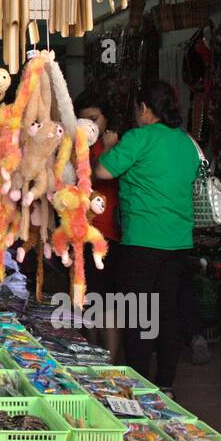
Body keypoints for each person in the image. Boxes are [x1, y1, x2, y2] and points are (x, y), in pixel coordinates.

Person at [94, 80, 200, 392]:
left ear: (143, 108)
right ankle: (166, 383)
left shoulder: (138, 138)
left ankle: (138, 381)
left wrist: (111, 147)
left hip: (142, 241)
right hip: (179, 242)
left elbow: (102, 172)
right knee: (168, 313)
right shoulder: (184, 142)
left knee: (138, 312)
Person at [74, 92, 122, 360]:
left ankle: (111, 359)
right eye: (83, 120)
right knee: (88, 298)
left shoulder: (115, 146)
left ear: (107, 120)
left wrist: (111, 149)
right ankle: (93, 355)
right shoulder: (80, 145)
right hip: (81, 233)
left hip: (107, 235)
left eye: (93, 119)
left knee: (108, 300)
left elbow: (96, 175)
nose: (88, 125)